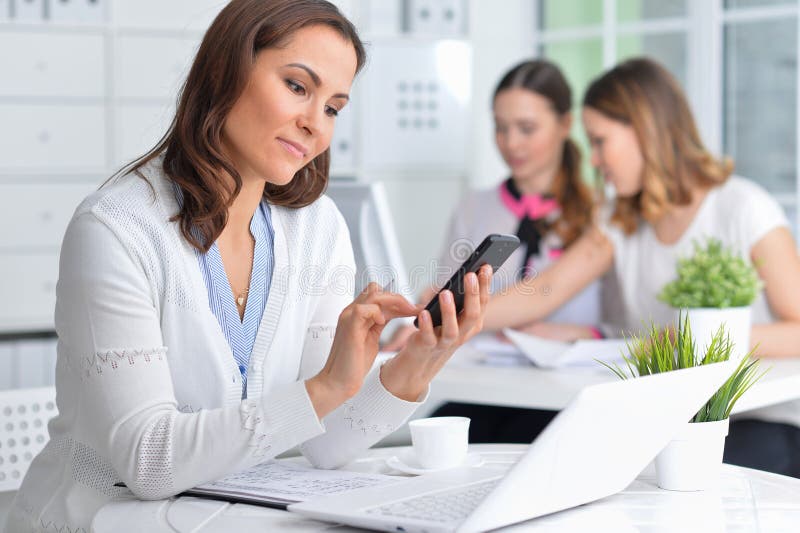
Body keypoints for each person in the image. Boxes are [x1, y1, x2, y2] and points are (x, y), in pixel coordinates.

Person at [5, 2, 493, 531]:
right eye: (297, 87)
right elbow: (147, 460)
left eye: (333, 107)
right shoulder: (116, 228)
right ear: (227, 71)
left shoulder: (316, 227)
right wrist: (327, 385)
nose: (314, 124)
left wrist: (416, 363)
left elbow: (323, 442)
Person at [483, 57, 800, 477]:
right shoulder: (619, 219)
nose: (594, 160)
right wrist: (444, 319)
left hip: (761, 421)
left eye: (600, 141)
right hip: (670, 419)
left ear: (645, 130)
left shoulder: (743, 209)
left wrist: (694, 341)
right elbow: (547, 290)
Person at [385, 59, 600, 443]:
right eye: (500, 128)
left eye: (526, 128)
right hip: (487, 384)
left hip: (566, 394)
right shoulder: (475, 207)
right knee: (433, 440)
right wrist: (432, 305)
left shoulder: (601, 216)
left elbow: (623, 320)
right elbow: (447, 290)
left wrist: (581, 333)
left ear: (566, 125)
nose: (511, 143)